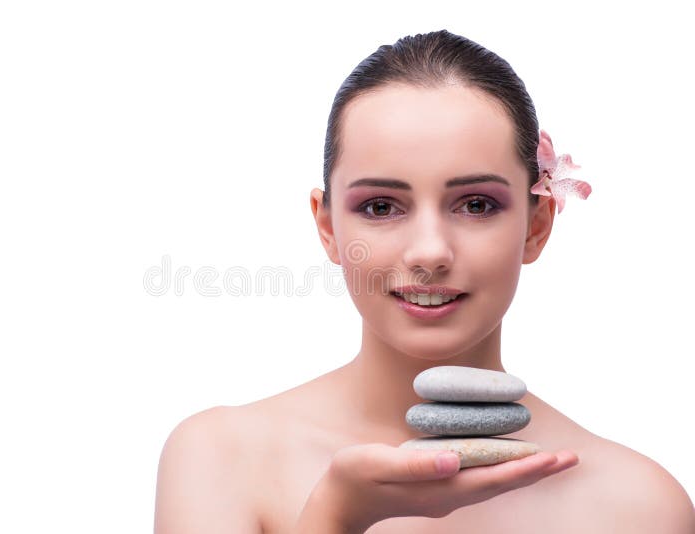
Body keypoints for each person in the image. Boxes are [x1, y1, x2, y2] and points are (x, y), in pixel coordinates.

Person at [154, 30, 695, 533]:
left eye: (477, 204)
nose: (430, 251)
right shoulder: (219, 458)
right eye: (382, 206)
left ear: (537, 225)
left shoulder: (640, 506)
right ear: (328, 228)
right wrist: (336, 512)